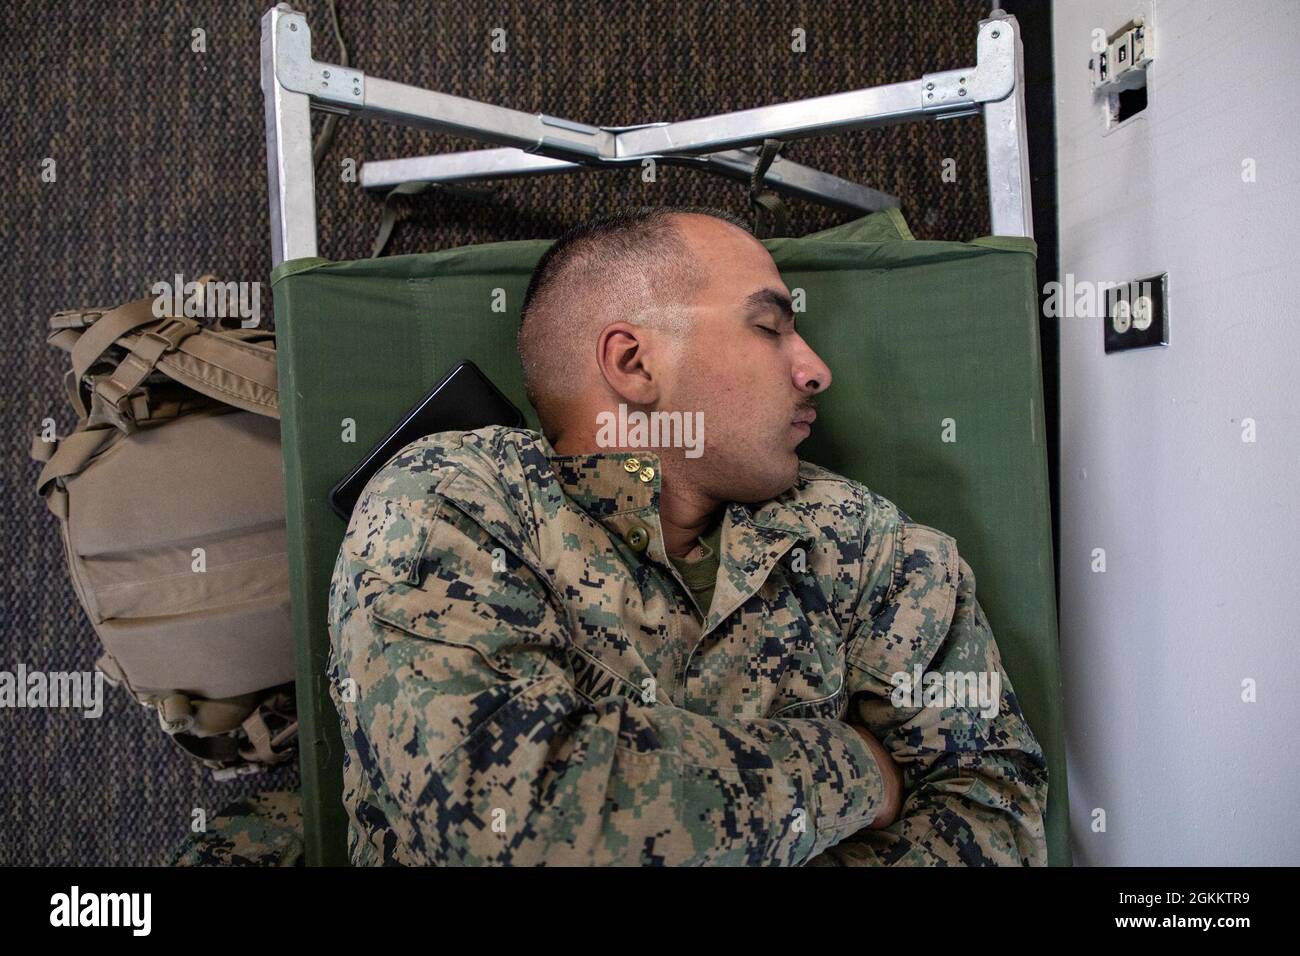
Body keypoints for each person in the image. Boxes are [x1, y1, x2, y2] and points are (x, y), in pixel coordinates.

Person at [327, 206, 1048, 866]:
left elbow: (993, 812)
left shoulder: (859, 540)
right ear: (634, 364)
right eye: (769, 328)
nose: (816, 369)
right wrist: (854, 770)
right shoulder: (452, 499)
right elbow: (514, 822)